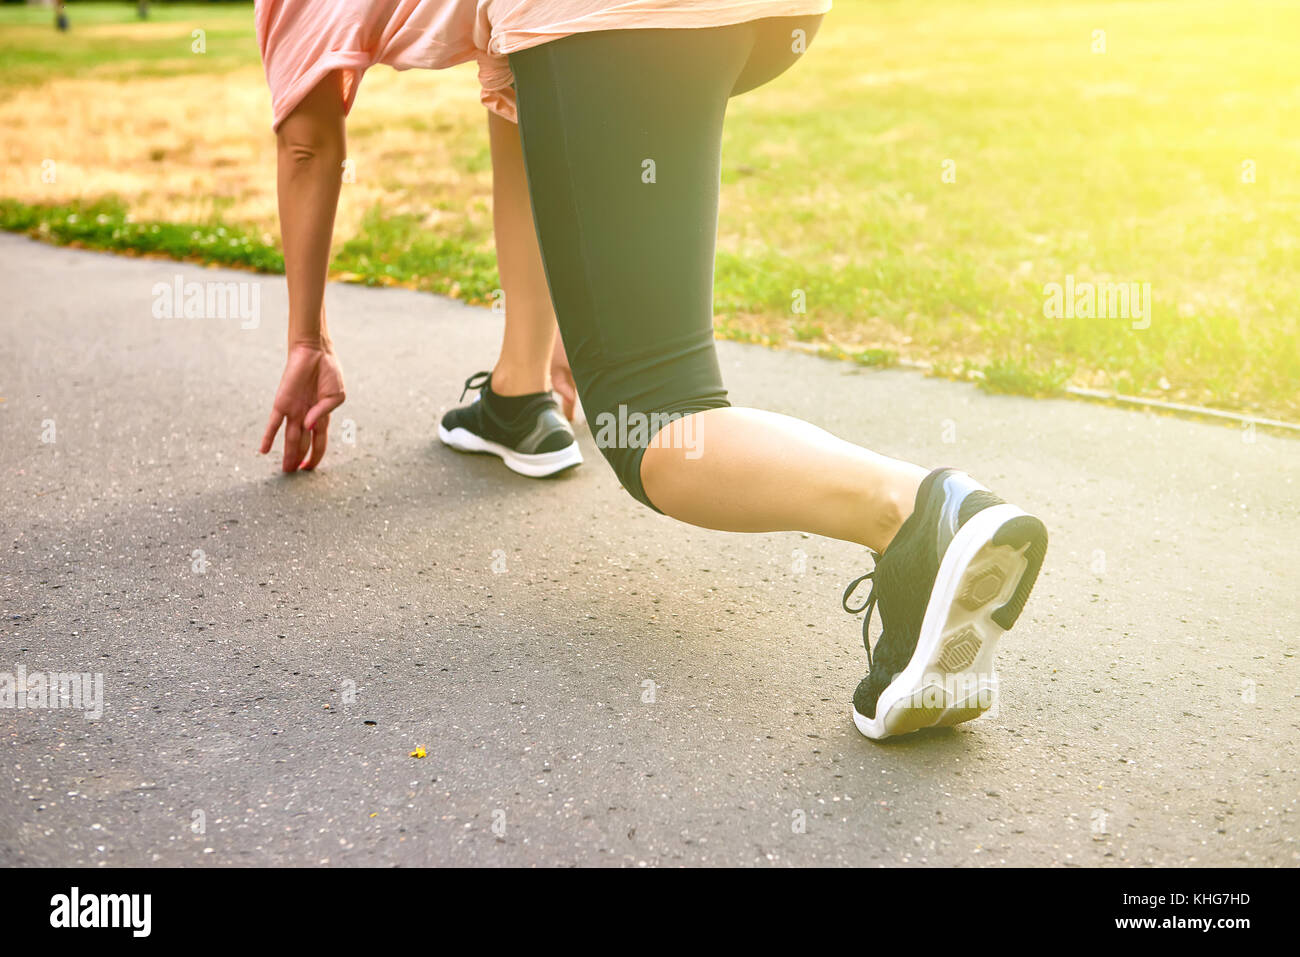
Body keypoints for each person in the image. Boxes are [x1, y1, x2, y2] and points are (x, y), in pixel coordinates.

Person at [254, 0, 1048, 740]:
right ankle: (514, 396)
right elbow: (525, 102)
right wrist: (540, 352)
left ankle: (918, 515)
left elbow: (307, 138)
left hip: (610, 19)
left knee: (657, 416)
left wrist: (307, 343)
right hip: (749, 19)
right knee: (563, 76)